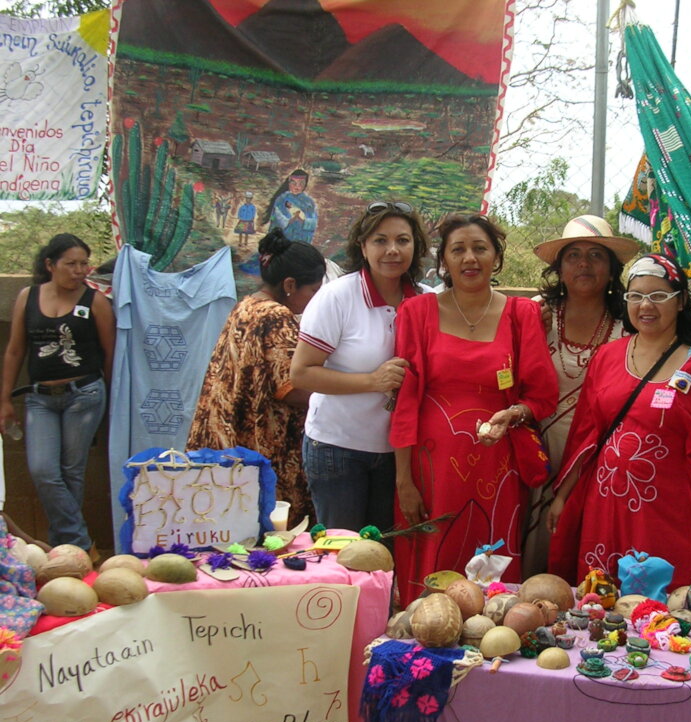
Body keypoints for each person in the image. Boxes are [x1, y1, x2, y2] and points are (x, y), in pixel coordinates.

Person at [390, 213, 558, 605]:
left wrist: (514, 414)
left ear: (496, 257)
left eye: (480, 248)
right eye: (458, 249)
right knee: (432, 559)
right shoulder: (416, 313)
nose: (470, 258)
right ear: (443, 260)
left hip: (496, 466)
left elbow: (542, 397)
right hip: (429, 468)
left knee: (491, 563)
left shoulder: (522, 315)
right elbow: (405, 402)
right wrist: (403, 480)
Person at [547, 254, 691, 592]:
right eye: (635, 296)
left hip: (670, 510)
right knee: (604, 603)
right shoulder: (608, 356)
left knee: (666, 608)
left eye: (658, 296)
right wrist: (562, 495)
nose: (645, 305)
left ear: (680, 302)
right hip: (605, 506)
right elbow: (586, 434)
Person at [291, 201, 430, 533]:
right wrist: (372, 381)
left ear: (416, 246)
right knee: (345, 553)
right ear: (363, 246)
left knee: (386, 555)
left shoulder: (426, 300)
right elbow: (301, 372)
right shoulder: (337, 297)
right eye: (380, 240)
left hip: (401, 456)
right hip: (338, 449)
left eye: (403, 240)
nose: (392, 250)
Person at [521, 215, 639, 577]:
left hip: (595, 452)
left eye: (596, 255)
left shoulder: (629, 324)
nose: (584, 264)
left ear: (612, 268)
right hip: (534, 448)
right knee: (531, 542)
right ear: (559, 267)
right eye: (573, 255)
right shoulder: (536, 315)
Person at [187, 228, 325, 528]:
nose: (316, 299)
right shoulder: (276, 317)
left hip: (225, 441)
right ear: (290, 284)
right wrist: (347, 390)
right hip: (261, 448)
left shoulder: (245, 306)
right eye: (313, 290)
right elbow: (292, 388)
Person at [0, 234, 115, 559]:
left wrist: (110, 399)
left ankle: (63, 554)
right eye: (71, 264)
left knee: (71, 472)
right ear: (50, 265)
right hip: (40, 399)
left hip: (85, 395)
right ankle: (80, 545)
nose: (79, 270)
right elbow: (14, 350)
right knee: (43, 470)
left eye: (84, 263)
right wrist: (5, 399)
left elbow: (110, 354)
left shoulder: (95, 301)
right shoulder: (28, 297)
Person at [267, 169, 318, 243]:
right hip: (283, 239)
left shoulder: (309, 202)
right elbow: (275, 219)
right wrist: (291, 220)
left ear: (305, 185)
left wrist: (303, 220)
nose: (297, 187)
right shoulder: (281, 199)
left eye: (301, 183)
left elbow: (313, 222)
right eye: (293, 183)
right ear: (289, 183)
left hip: (302, 239)